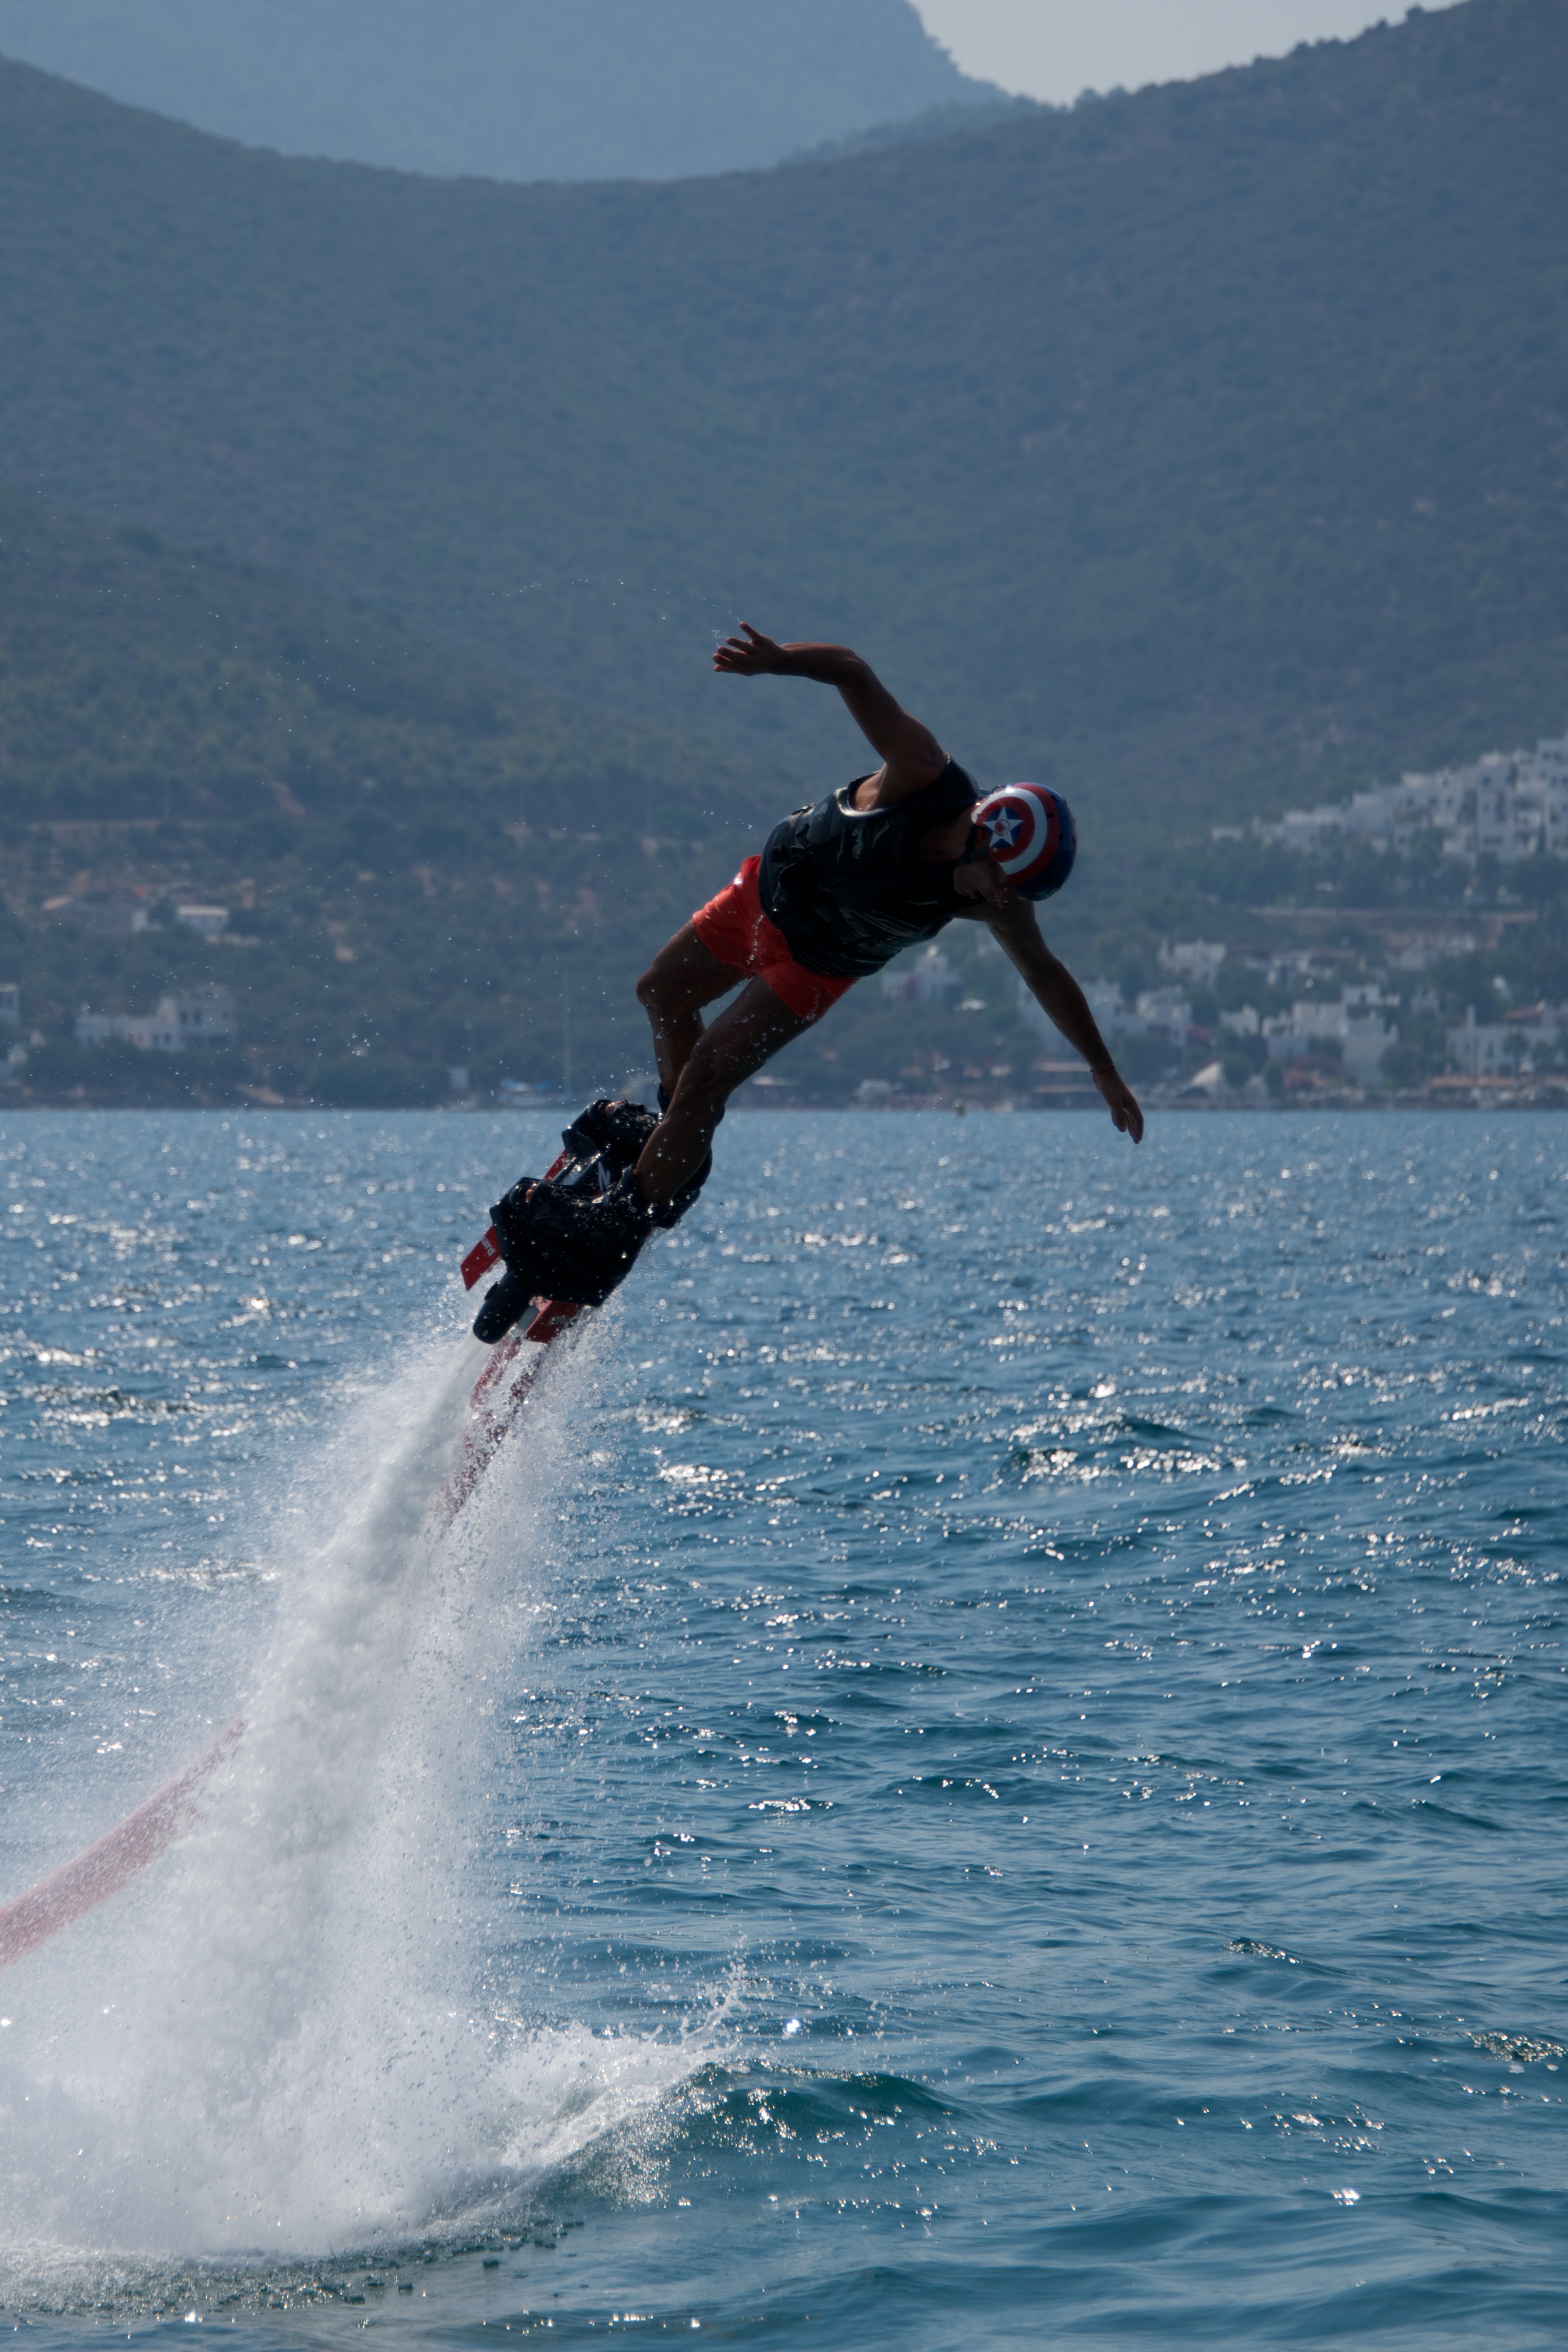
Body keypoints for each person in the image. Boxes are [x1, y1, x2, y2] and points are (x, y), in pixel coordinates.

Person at [473, 627, 1143, 1340]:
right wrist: (777, 663)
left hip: (817, 968)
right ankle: (674, 1151)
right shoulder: (921, 771)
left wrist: (1103, 1070)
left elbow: (1044, 972)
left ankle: (627, 1213)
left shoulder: (994, 900)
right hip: (761, 899)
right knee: (660, 995)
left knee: (707, 1078)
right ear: (986, 833)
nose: (1007, 902)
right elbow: (854, 670)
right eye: (1008, 884)